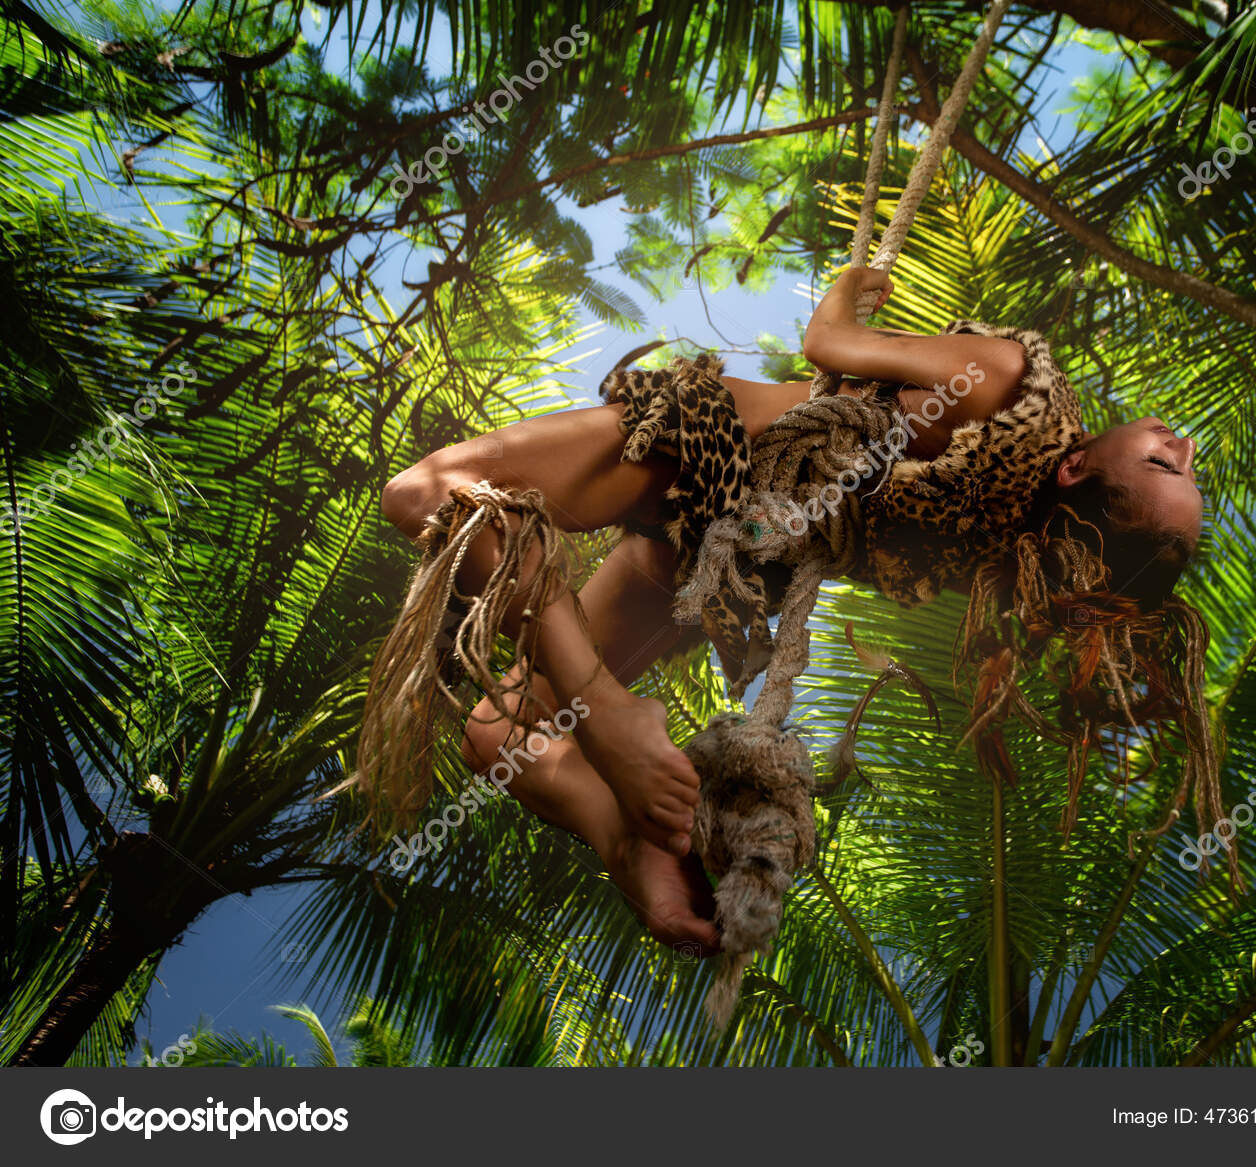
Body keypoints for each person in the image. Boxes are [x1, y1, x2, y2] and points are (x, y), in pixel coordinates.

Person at [360, 266, 1206, 953]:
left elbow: (828, 344)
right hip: (730, 564)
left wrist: (843, 298)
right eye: (1183, 467)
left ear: (1075, 468)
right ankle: (629, 844)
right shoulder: (997, 556)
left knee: (432, 492)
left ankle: (614, 720)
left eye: (1166, 466)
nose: (1185, 445)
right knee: (496, 735)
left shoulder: (1013, 384)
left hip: (702, 455)